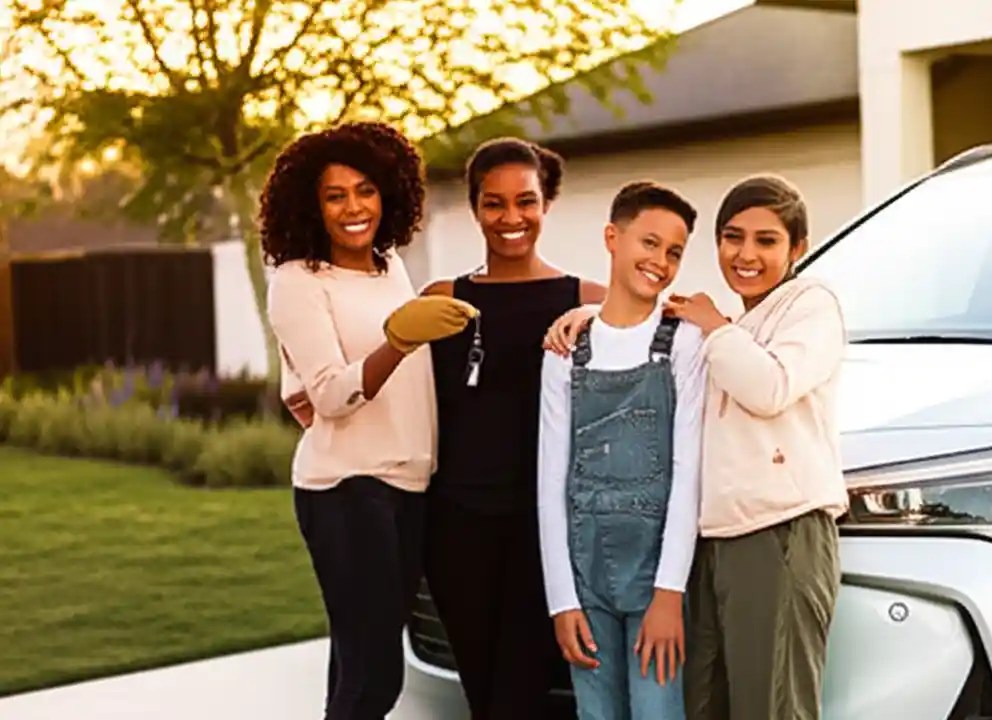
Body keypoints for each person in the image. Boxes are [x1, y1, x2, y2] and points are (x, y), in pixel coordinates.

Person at [543, 174, 849, 720]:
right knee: (708, 705)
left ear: (798, 249)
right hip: (717, 544)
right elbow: (638, 330)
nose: (746, 254)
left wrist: (711, 324)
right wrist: (590, 320)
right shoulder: (737, 325)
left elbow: (770, 387)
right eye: (733, 237)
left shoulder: (810, 304)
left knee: (770, 706)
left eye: (767, 240)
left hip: (778, 532)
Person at [261, 121, 476, 720]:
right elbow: (329, 395)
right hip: (348, 489)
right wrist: (397, 342)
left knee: (358, 671)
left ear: (390, 194)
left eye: (366, 190)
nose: (354, 207)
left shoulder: (390, 267)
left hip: (407, 484)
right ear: (311, 204)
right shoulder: (297, 279)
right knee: (375, 679)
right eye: (335, 195)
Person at [419, 136, 608, 719]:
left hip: (544, 532)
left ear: (545, 204)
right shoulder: (442, 301)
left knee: (522, 695)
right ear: (475, 208)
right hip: (456, 532)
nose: (510, 218)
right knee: (483, 693)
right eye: (493, 203)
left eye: (525, 201)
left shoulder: (588, 301)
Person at [537, 181, 705, 720]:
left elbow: (688, 473)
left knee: (659, 712)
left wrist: (669, 593)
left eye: (674, 252)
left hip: (658, 573)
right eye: (649, 243)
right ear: (613, 238)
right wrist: (562, 600)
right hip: (586, 580)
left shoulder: (683, 341)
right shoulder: (566, 350)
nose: (660, 261)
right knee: (596, 714)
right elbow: (550, 483)